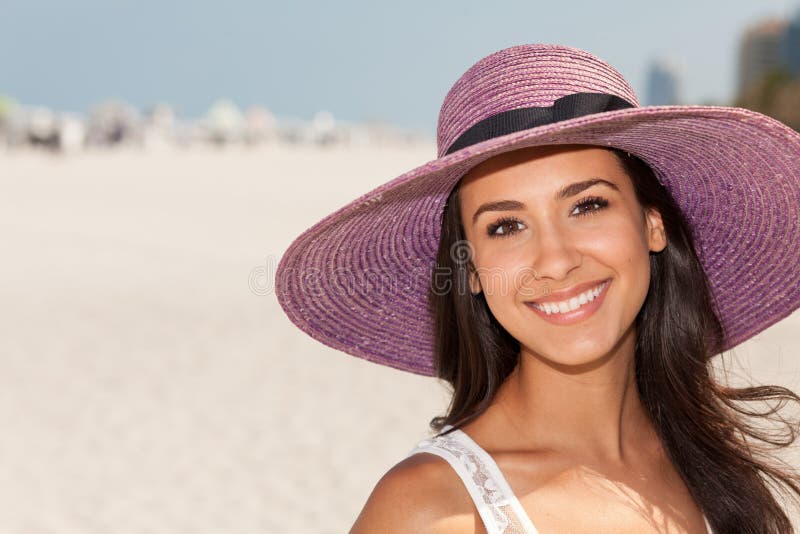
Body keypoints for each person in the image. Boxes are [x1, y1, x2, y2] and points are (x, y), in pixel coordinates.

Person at [274, 44, 800, 533]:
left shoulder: (711, 457)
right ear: (472, 269)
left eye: (587, 205)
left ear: (653, 224)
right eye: (506, 226)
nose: (555, 261)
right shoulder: (431, 510)